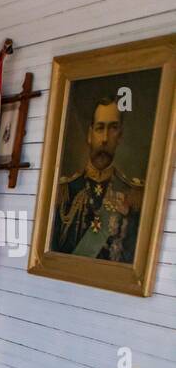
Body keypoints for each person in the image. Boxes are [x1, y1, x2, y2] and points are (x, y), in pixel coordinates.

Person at [51, 96, 143, 263]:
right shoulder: (65, 192)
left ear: (120, 136)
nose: (105, 138)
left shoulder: (132, 195)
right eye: (100, 128)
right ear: (89, 134)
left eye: (113, 128)